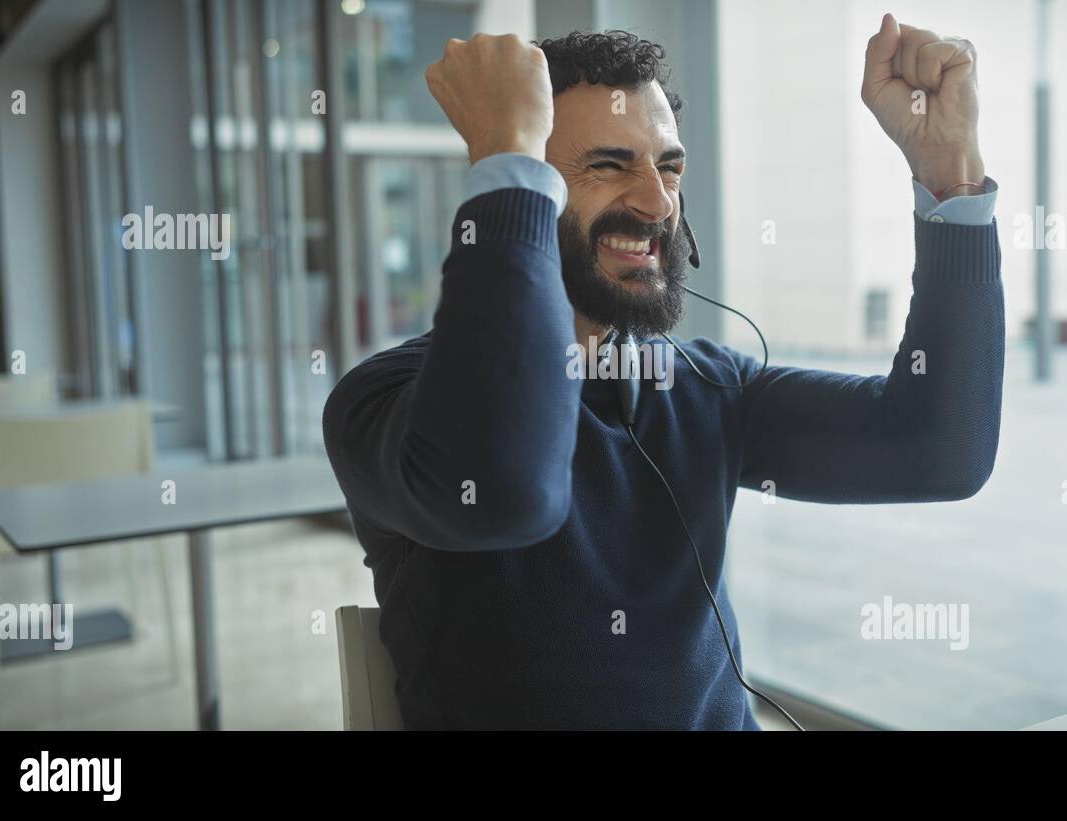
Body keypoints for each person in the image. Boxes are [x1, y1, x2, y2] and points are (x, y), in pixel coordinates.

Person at [323, 14, 1004, 730]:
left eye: (668, 166)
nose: (658, 204)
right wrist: (504, 160)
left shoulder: (701, 387)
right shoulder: (382, 401)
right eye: (609, 164)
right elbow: (505, 490)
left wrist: (948, 168)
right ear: (529, 188)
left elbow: (940, 449)